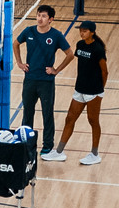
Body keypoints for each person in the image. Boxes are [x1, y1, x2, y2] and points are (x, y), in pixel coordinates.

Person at [14, 5, 75, 155]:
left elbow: (70, 54)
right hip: (30, 80)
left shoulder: (56, 35)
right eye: (38, 15)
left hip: (46, 82)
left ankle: (47, 145)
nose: (40, 19)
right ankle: (27, 144)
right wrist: (19, 63)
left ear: (50, 19)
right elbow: (15, 44)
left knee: (47, 114)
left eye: (43, 16)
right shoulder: (29, 31)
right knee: (27, 113)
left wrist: (56, 70)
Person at [45, 20, 107, 164]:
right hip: (80, 89)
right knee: (70, 118)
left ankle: (94, 154)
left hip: (94, 91)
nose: (81, 33)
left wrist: (99, 89)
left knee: (93, 121)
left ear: (92, 32)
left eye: (85, 31)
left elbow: (105, 71)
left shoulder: (98, 49)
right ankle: (59, 152)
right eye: (81, 30)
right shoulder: (80, 45)